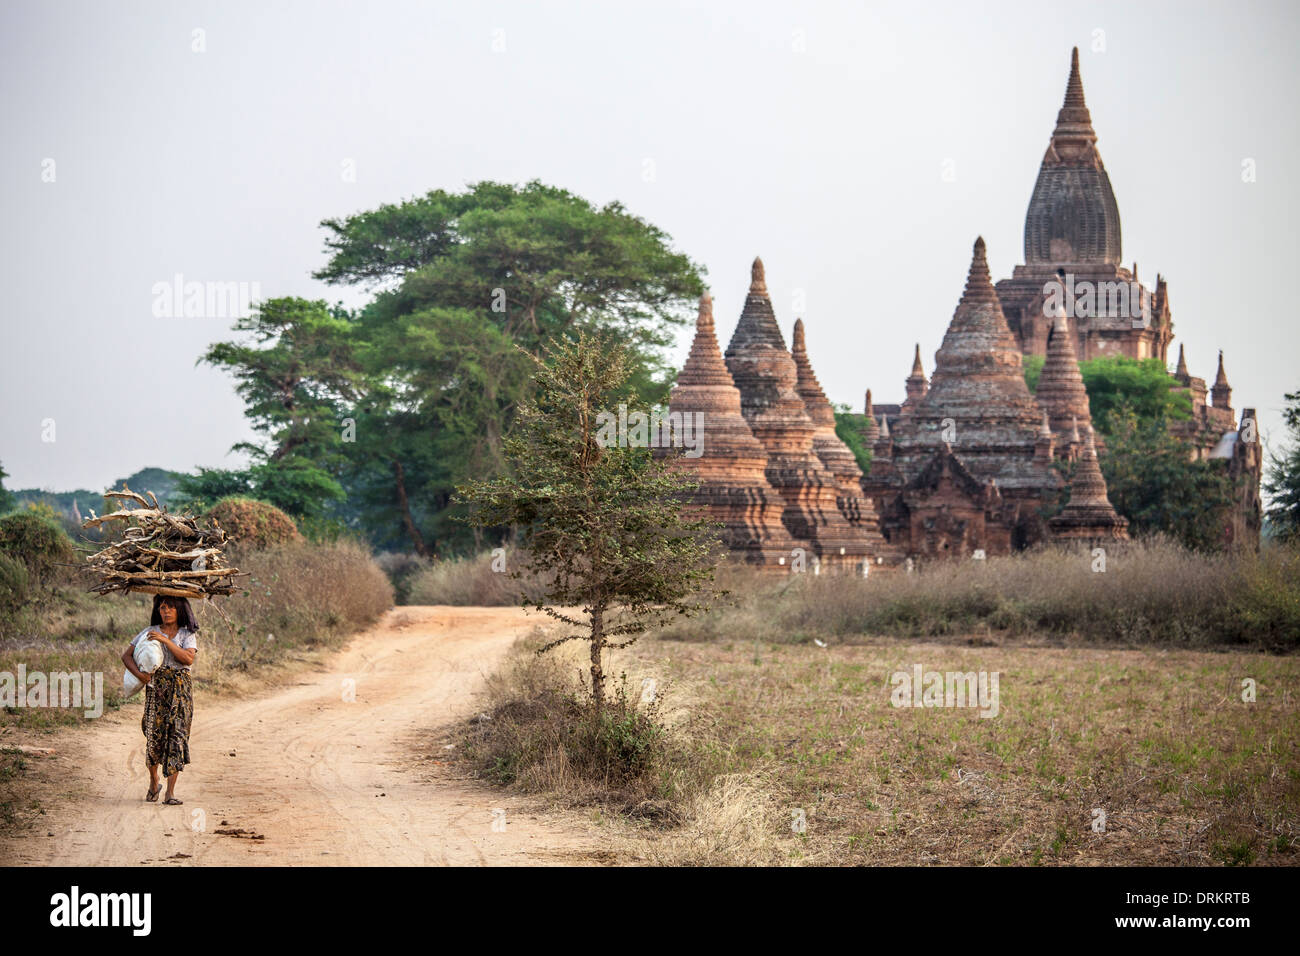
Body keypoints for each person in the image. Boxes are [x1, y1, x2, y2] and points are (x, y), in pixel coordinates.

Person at [120, 595, 199, 805]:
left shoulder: (186, 633)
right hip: (157, 689)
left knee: (178, 736)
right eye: (163, 607)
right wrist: (141, 675)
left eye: (171, 608)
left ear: (180, 610)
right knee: (154, 736)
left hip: (181, 690)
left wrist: (164, 640)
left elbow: (188, 658)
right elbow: (126, 656)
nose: (166, 611)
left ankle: (170, 793)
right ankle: (154, 781)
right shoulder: (149, 631)